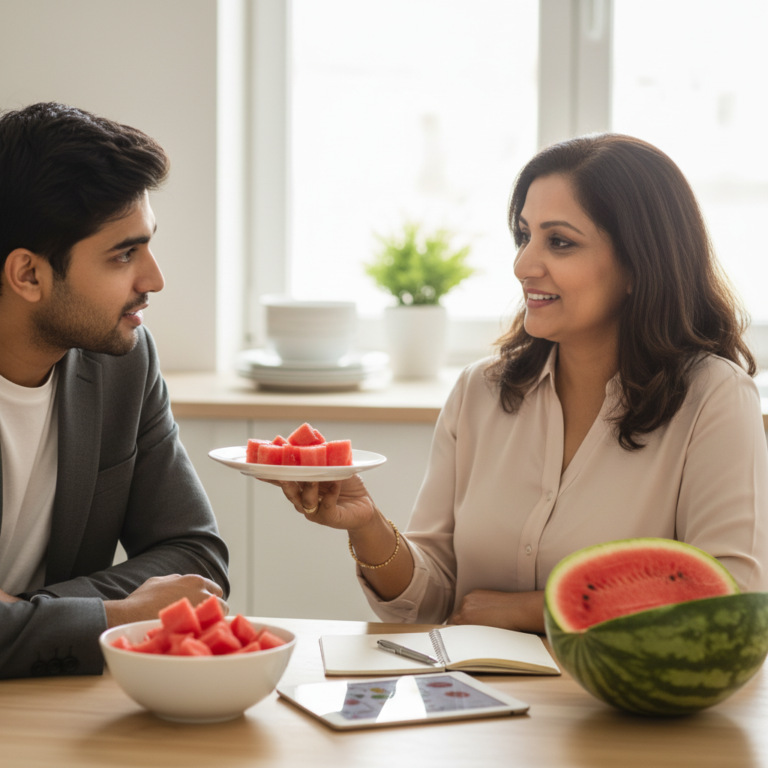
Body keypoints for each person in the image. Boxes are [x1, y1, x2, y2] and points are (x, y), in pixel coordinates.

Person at [271, 133, 768, 631]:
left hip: (616, 706)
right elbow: (432, 600)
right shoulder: (478, 392)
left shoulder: (714, 399)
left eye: (560, 242)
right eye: (523, 235)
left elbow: (730, 601)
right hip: (474, 698)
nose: (523, 266)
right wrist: (368, 526)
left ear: (639, 264)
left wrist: (533, 610)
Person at [0, 103, 229, 679]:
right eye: (124, 254)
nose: (153, 279)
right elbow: (149, 602)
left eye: (147, 245)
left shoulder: (122, 362)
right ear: (28, 274)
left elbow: (195, 556)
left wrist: (25, 617)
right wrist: (111, 615)